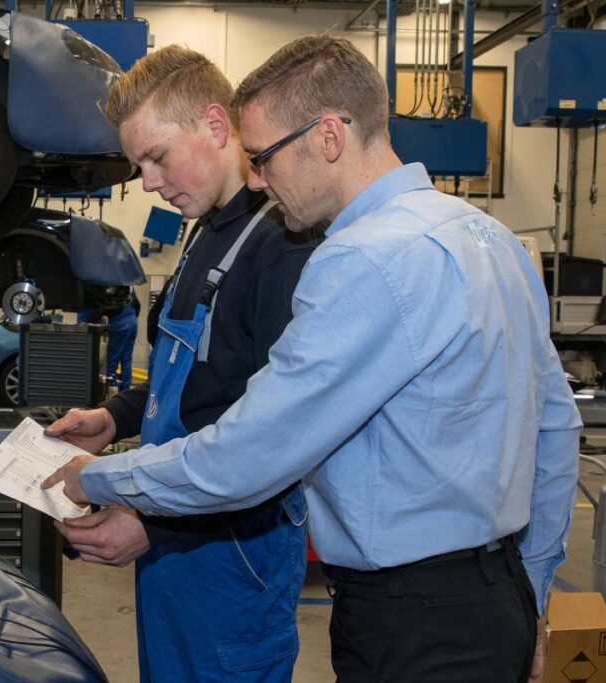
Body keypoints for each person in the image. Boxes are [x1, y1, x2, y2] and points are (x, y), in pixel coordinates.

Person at [44, 35, 581, 683]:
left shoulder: (356, 259)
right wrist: (531, 593)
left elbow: (249, 456)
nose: (259, 176)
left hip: (410, 615)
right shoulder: (491, 238)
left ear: (328, 136)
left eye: (266, 155)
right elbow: (556, 431)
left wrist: (97, 478)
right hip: (494, 599)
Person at [45, 45, 320, 682]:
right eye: (138, 162)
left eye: (157, 157)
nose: (147, 181)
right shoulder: (204, 228)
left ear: (217, 127)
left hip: (232, 550)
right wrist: (115, 418)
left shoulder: (283, 244)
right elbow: (194, 374)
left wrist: (156, 526)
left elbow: (272, 442)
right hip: (173, 524)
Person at [79, 288, 140, 392]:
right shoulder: (125, 281)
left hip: (118, 323)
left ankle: (112, 397)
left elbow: (91, 312)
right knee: (126, 360)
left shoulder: (102, 281)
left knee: (110, 364)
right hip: (132, 320)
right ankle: (124, 393)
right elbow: (137, 304)